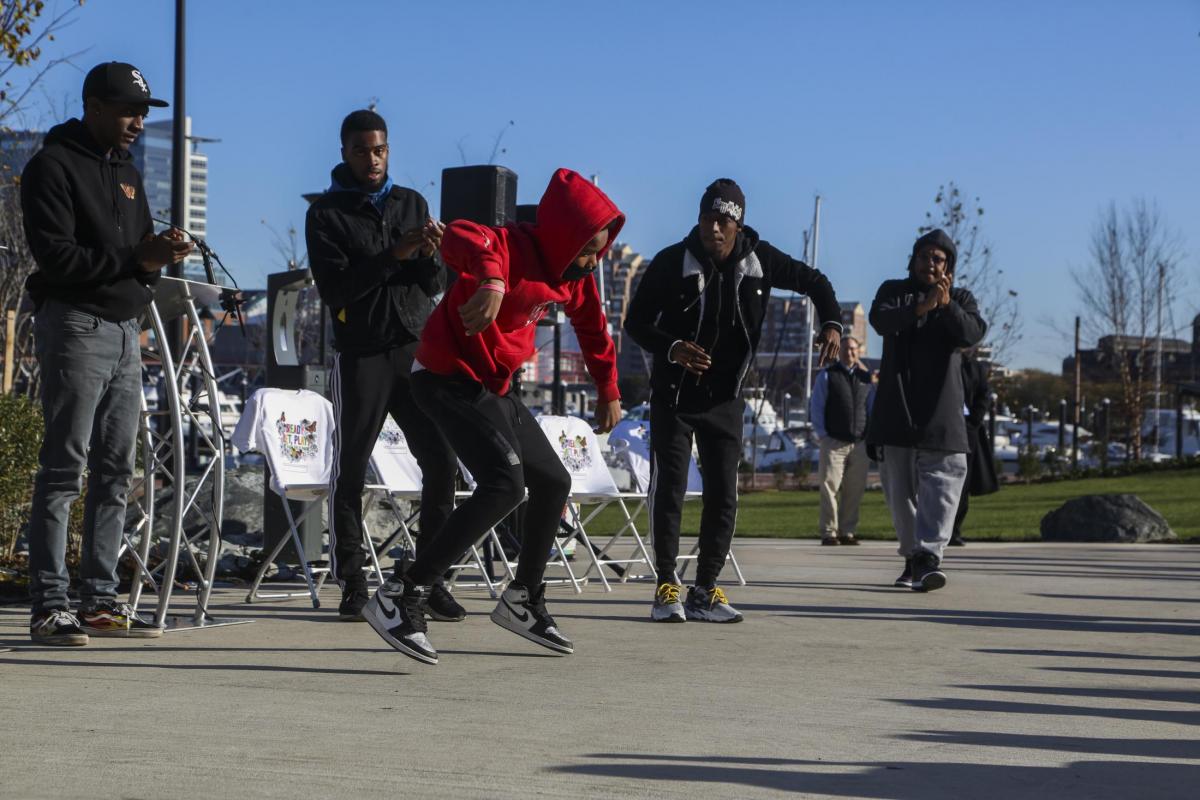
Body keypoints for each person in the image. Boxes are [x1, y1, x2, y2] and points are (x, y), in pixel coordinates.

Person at [362, 168, 624, 664]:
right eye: (588, 249)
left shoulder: (576, 277)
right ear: (564, 237)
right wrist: (493, 279)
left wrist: (608, 388)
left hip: (492, 386)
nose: (593, 261)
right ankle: (404, 592)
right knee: (505, 483)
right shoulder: (509, 244)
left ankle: (522, 596)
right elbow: (463, 235)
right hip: (444, 376)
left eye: (601, 251)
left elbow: (594, 330)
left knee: (552, 481)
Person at [21, 62, 193, 645]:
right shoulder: (52, 166)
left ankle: (99, 600)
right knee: (65, 466)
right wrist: (137, 261)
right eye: (127, 110)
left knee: (118, 469)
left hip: (125, 332)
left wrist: (156, 259)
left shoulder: (127, 173)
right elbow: (59, 261)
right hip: (74, 323)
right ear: (93, 105)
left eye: (144, 112)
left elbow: (136, 253)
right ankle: (49, 603)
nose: (138, 122)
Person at [624, 179, 842, 623]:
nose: (714, 229)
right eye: (707, 218)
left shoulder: (760, 260)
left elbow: (815, 282)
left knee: (724, 494)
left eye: (723, 220)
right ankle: (666, 586)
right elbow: (635, 324)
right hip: (675, 396)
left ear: (738, 223)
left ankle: (705, 589)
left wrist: (833, 324)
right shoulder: (672, 262)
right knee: (670, 490)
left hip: (725, 399)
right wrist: (672, 348)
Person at [306, 110, 461, 622]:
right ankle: (353, 580)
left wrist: (430, 254)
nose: (372, 160)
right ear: (344, 152)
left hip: (414, 350)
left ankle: (427, 576)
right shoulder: (326, 213)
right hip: (362, 353)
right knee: (350, 468)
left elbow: (433, 284)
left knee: (440, 461)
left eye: (380, 150)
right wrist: (396, 253)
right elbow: (337, 290)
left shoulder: (410, 202)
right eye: (361, 151)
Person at [866, 229, 986, 592]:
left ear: (948, 266)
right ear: (913, 259)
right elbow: (880, 321)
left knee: (943, 486)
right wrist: (921, 307)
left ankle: (929, 556)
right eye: (924, 256)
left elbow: (972, 334)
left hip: (942, 413)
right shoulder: (893, 292)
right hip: (896, 408)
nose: (929, 264)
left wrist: (945, 305)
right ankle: (912, 557)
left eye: (938, 259)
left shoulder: (961, 299)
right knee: (899, 492)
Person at [810, 335, 873, 546]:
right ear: (839, 352)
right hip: (833, 442)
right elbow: (817, 407)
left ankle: (847, 531)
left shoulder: (866, 378)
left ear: (859, 352)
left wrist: (869, 435)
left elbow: (871, 408)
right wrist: (822, 435)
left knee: (854, 490)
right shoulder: (827, 376)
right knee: (829, 488)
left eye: (854, 349)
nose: (850, 353)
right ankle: (829, 532)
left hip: (860, 442)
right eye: (846, 349)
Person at [950, 348, 999, 545]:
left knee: (963, 482)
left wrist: (974, 420)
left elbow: (984, 394)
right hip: (944, 426)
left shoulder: (976, 368)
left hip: (968, 430)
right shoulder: (942, 361)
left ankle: (954, 530)